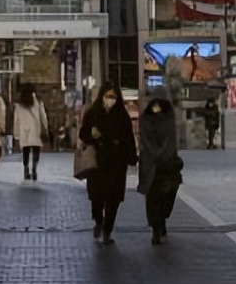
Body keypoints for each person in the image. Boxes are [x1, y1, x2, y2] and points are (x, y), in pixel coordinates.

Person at [78, 81, 137, 245]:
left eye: (113, 96)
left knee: (114, 198)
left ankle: (108, 229)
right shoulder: (93, 113)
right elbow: (83, 134)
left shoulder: (122, 115)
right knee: (97, 196)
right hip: (98, 161)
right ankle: (98, 221)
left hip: (117, 163)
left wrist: (132, 157)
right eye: (108, 96)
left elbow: (129, 139)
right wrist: (92, 135)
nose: (110, 99)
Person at [137, 86, 182, 245]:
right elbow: (145, 138)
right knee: (154, 197)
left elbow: (171, 139)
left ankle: (161, 221)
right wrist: (154, 154)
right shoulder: (146, 117)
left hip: (167, 165)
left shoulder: (170, 117)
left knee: (167, 196)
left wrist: (162, 154)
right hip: (152, 166)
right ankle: (156, 227)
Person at [12, 83, 49, 181]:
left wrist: (16, 134)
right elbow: (43, 117)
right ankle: (34, 169)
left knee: (26, 151)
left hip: (24, 131)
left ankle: (26, 170)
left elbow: (16, 121)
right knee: (36, 150)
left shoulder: (18, 105)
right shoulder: (38, 103)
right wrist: (46, 128)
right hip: (36, 130)